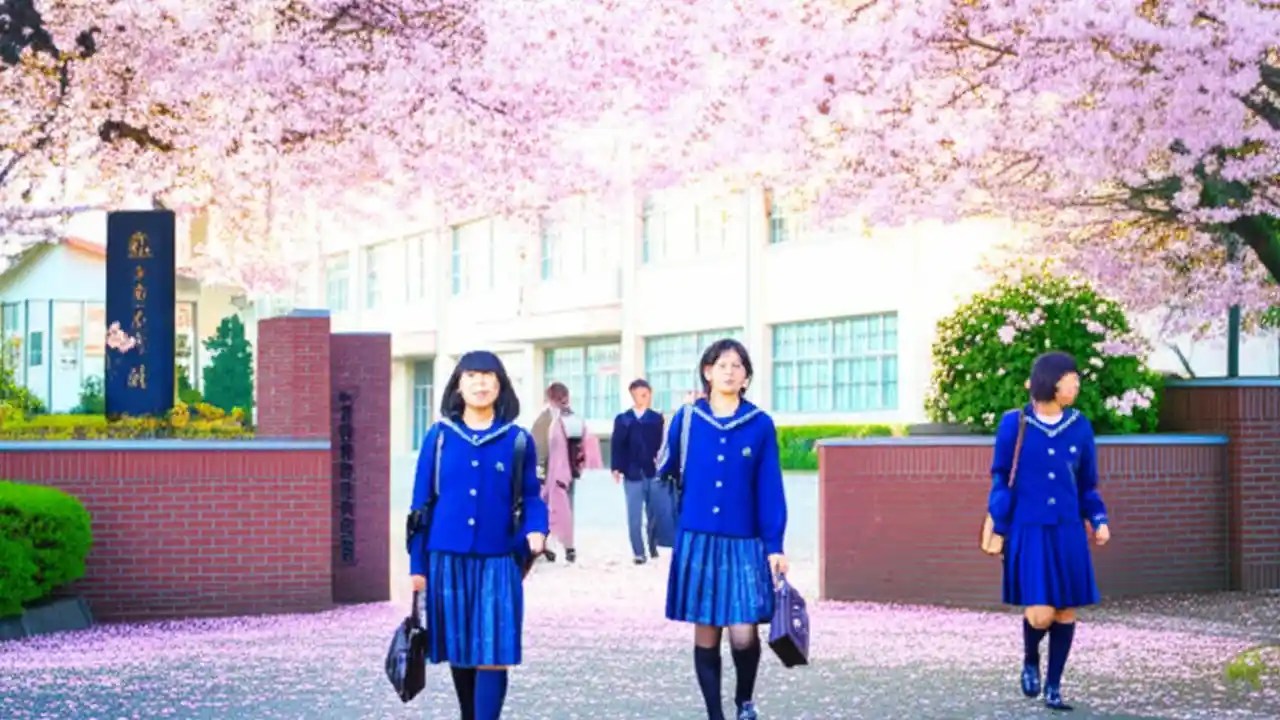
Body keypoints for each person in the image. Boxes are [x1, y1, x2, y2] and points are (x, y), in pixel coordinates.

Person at [407, 350, 548, 720]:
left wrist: (537, 529)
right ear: (458, 385)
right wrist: (417, 565)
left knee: (493, 652)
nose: (480, 383)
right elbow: (420, 506)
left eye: (488, 376)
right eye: (471, 376)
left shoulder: (517, 440)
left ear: (501, 386)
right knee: (462, 651)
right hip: (447, 558)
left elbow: (532, 495)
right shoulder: (439, 437)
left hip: (498, 558)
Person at [657, 339, 788, 720]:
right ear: (707, 372)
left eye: (737, 365)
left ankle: (744, 700)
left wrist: (774, 544)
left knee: (744, 632)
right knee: (707, 630)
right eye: (721, 365)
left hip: (743, 542)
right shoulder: (687, 418)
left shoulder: (760, 425)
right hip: (698, 539)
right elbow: (665, 468)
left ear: (746, 376)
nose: (729, 371)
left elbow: (770, 488)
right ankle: (714, 713)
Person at [987, 351, 1112, 712]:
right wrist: (1000, 519)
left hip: (1068, 531)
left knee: (1066, 611)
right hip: (1030, 530)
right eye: (1072, 379)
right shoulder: (1014, 423)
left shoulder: (1080, 426)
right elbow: (1000, 476)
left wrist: (1098, 518)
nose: (1077, 385)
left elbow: (1087, 483)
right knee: (1041, 613)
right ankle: (1030, 658)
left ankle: (1054, 687)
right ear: (1053, 382)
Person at [539, 383, 602, 563]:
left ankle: (551, 545)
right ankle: (566, 546)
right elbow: (587, 443)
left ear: (550, 398)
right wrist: (581, 465)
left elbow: (539, 447)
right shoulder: (574, 419)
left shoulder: (547, 420)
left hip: (551, 473)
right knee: (565, 509)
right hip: (569, 473)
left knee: (546, 508)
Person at [611, 378, 668, 564]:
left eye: (647, 394)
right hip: (632, 473)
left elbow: (662, 444)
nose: (644, 398)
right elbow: (617, 445)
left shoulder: (656, 419)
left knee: (654, 513)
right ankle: (638, 552)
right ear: (633, 395)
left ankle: (652, 545)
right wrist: (616, 467)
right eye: (640, 395)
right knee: (634, 515)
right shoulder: (623, 419)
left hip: (653, 472)